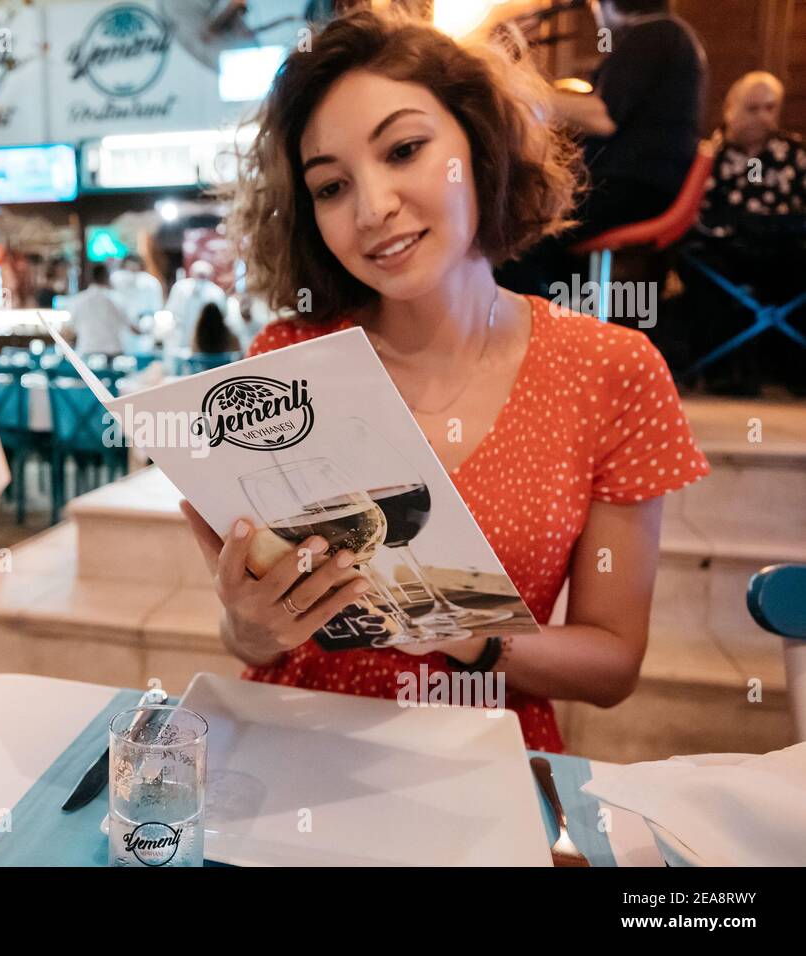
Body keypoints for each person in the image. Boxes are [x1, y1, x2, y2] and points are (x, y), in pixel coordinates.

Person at [180, 8, 710, 752]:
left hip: (484, 762)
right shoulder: (289, 360)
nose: (372, 208)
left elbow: (613, 663)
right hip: (296, 752)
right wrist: (248, 622)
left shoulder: (610, 372)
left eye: (403, 150)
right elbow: (255, 644)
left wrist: (466, 633)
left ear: (481, 143)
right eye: (330, 188)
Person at [498, 0, 708, 296]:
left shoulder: (650, 33)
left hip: (631, 189)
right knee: (548, 239)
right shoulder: (671, 35)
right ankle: (570, 322)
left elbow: (604, 117)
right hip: (646, 188)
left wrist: (522, 94)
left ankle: (528, 334)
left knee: (516, 236)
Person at [680, 71, 806, 394]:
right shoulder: (706, 155)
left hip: (784, 252)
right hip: (723, 252)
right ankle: (722, 371)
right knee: (700, 270)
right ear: (730, 109)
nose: (763, 117)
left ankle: (792, 372)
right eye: (753, 108)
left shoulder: (795, 153)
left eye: (770, 108)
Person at [67, 264, 137, 357]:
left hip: (87, 351)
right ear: (107, 277)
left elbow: (70, 329)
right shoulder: (117, 299)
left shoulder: (77, 300)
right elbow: (132, 327)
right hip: (113, 353)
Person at [164, 260, 229, 349]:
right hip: (179, 340)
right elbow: (170, 312)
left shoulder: (217, 293)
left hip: (205, 342)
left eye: (203, 276)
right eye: (198, 275)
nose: (200, 280)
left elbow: (221, 318)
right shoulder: (180, 288)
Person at [109, 254, 165, 325]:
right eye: (129, 267)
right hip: (120, 324)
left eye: (134, 267)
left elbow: (157, 307)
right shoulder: (115, 279)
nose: (132, 271)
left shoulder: (150, 282)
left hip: (144, 324)